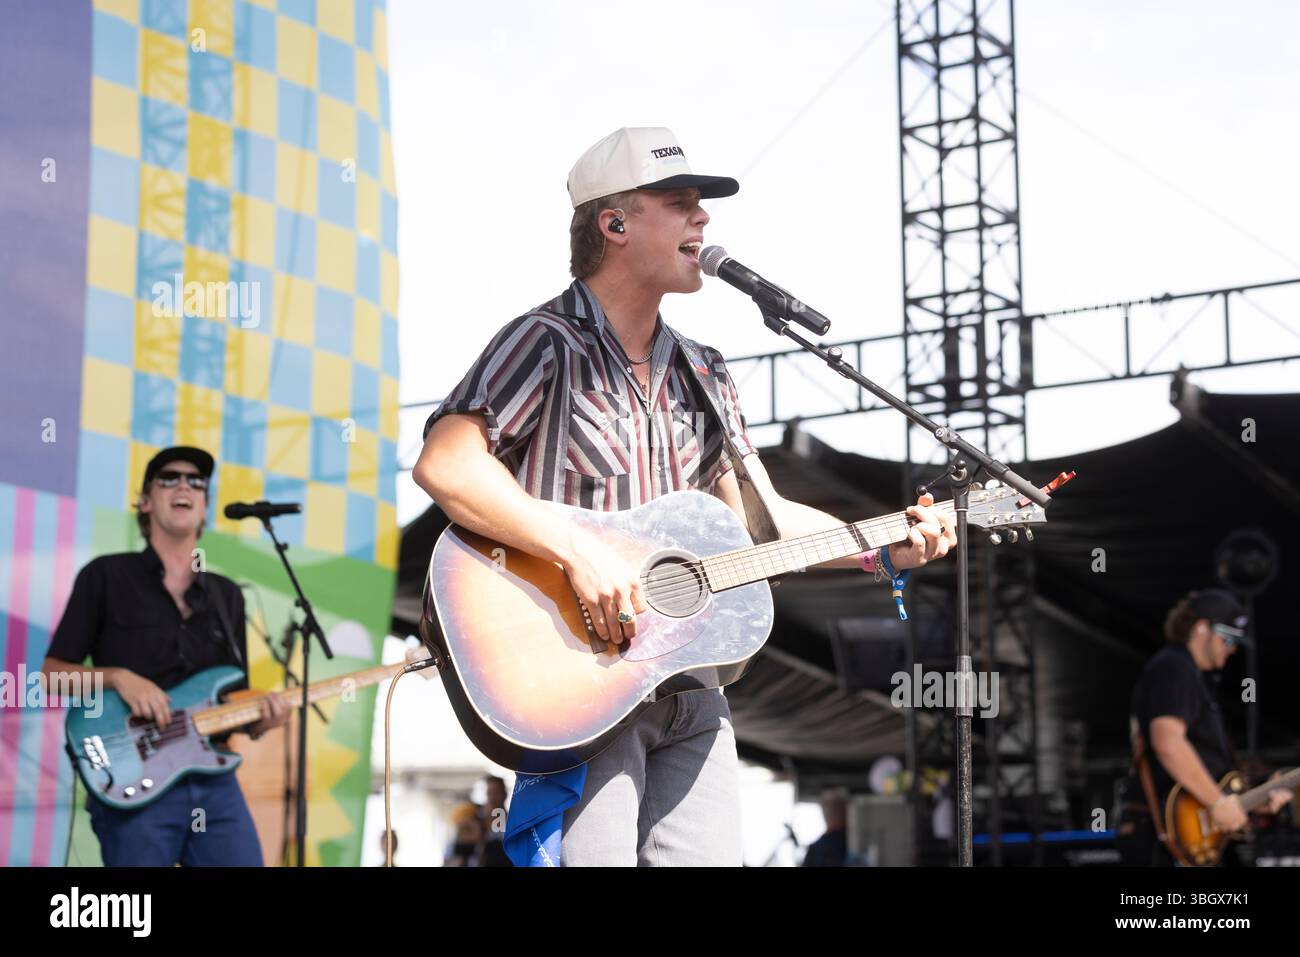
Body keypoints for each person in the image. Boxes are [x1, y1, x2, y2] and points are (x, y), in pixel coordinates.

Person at [413, 127, 957, 866]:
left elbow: (760, 524)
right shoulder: (543, 341)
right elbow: (447, 466)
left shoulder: (704, 368)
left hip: (692, 688)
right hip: (582, 683)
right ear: (614, 223)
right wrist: (578, 552)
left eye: (702, 206)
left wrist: (880, 544)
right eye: (679, 203)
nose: (702, 220)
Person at [42, 447, 290, 866]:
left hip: (214, 782)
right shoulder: (105, 576)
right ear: (144, 501)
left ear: (205, 506)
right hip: (133, 779)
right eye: (169, 478)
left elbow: (234, 700)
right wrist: (119, 677)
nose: (184, 486)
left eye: (196, 482)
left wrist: (262, 720)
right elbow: (51, 677)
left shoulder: (226, 595)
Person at [1123, 588, 1292, 866]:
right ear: (1202, 629)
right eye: (1227, 638)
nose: (1232, 648)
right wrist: (1217, 803)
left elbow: (1212, 774)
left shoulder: (1197, 680)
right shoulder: (1174, 666)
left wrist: (1254, 800)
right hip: (1161, 833)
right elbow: (1168, 743)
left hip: (1193, 834)